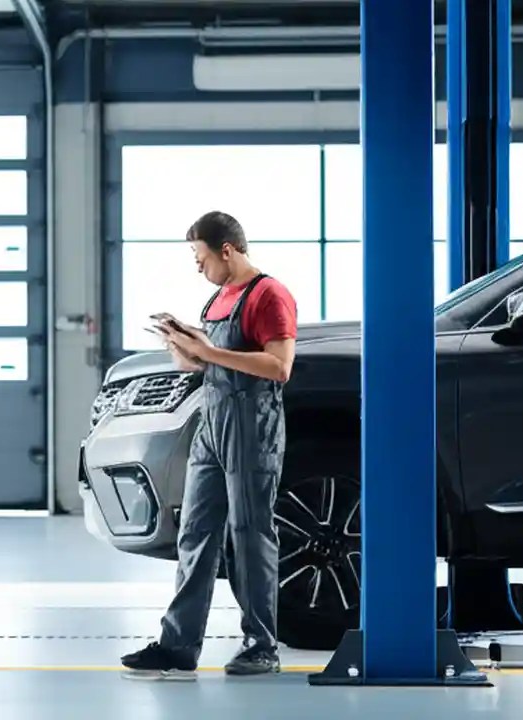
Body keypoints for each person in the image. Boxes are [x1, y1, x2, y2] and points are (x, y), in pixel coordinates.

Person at [121, 210, 298, 680]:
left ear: (227, 250)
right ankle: (177, 646)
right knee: (195, 534)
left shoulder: (269, 294)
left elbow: (279, 367)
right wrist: (181, 345)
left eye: (200, 257)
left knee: (250, 535)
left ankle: (262, 645)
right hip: (212, 424)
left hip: (251, 425)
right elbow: (202, 368)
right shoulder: (217, 299)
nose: (197, 267)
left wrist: (208, 351)